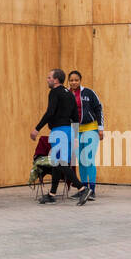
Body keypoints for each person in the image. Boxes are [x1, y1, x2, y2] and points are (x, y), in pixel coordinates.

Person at [30, 68, 91, 205]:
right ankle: (52, 194)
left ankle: (82, 189)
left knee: (60, 163)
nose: (47, 80)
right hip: (69, 131)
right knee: (57, 163)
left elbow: (50, 112)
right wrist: (75, 136)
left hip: (59, 131)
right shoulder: (69, 94)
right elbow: (75, 116)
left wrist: (37, 128)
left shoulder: (54, 92)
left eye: (49, 77)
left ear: (55, 80)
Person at [68, 70, 105, 200]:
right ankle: (83, 189)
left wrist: (100, 128)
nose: (74, 82)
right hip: (75, 129)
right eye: (71, 80)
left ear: (80, 80)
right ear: (69, 81)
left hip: (91, 127)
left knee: (88, 159)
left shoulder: (89, 93)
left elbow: (99, 108)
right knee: (81, 161)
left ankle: (92, 190)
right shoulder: (67, 94)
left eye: (76, 80)